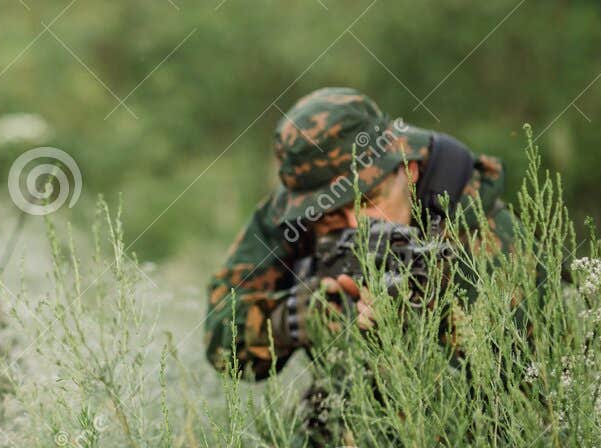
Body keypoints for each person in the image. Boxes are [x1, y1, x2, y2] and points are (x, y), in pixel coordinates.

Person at [205, 86, 516, 381]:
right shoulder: (295, 211)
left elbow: (525, 401)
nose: (355, 225)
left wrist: (419, 326)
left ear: (410, 171)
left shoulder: (489, 238)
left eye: (367, 200)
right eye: (330, 214)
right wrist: (296, 318)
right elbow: (221, 341)